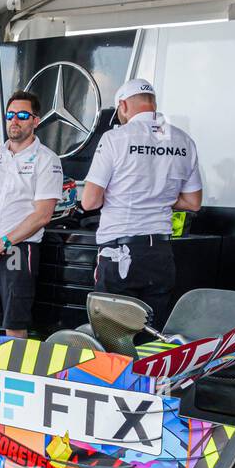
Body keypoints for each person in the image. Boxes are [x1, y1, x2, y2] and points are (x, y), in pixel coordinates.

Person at [80, 78, 203, 329]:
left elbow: (90, 201)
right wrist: (159, 197)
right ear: (152, 104)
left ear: (123, 105)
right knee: (151, 335)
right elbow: (193, 202)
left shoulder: (115, 138)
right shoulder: (183, 140)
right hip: (160, 252)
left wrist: (126, 194)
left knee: (112, 336)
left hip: (120, 251)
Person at [0, 91, 63, 342]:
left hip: (18, 251)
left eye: (22, 115)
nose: (15, 121)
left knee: (14, 326)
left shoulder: (47, 160)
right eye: (10, 115)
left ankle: (11, 379)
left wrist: (2, 243)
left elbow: (42, 215)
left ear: (36, 121)